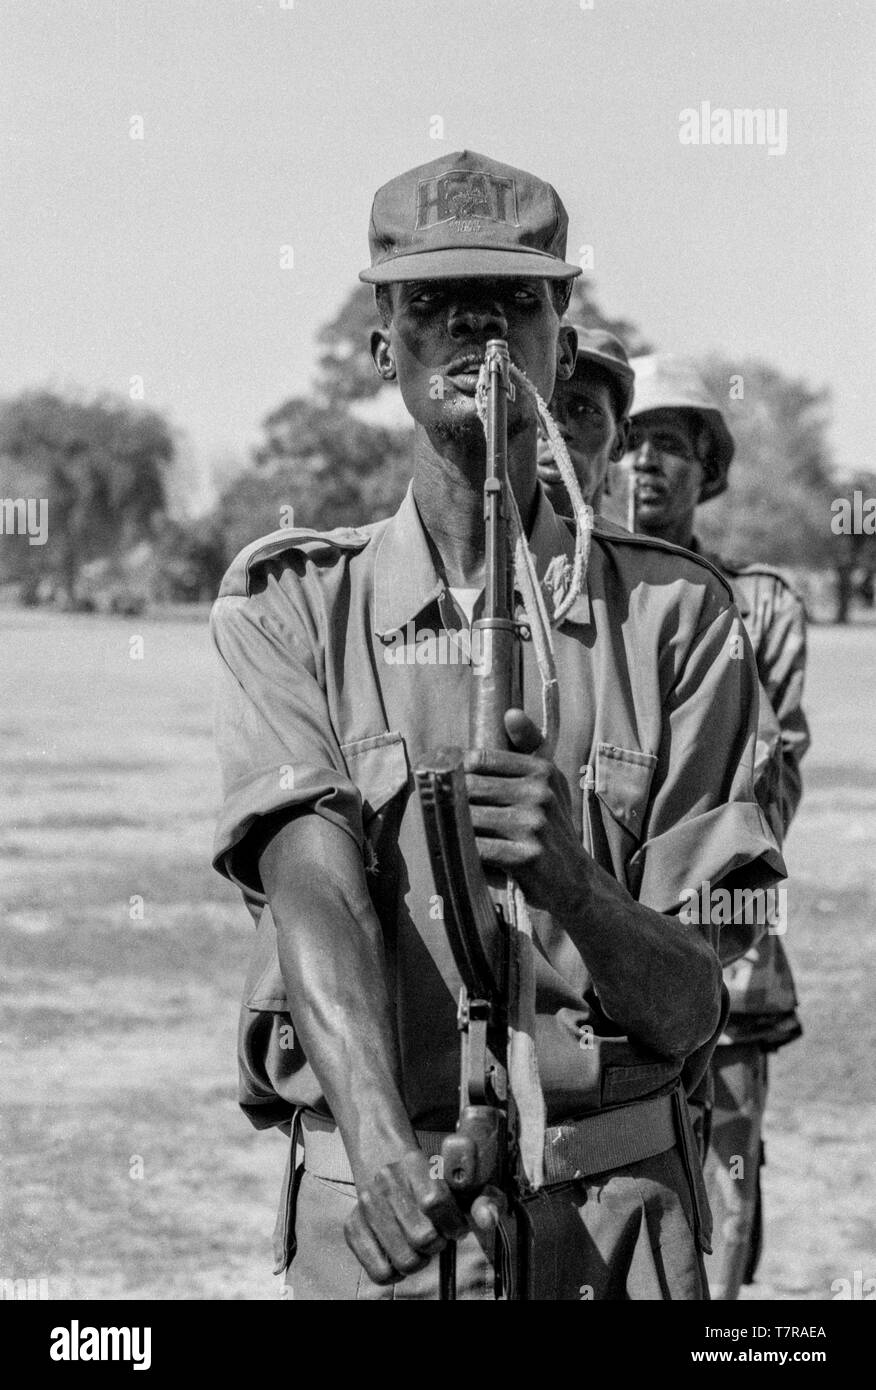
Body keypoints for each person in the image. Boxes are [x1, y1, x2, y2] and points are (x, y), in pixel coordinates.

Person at [210, 152, 783, 1300]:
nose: (475, 330)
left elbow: (691, 1002)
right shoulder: (292, 605)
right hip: (380, 1225)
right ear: (385, 346)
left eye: (515, 301)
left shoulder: (677, 618)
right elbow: (311, 884)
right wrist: (379, 1145)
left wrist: (578, 885)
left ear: (562, 342)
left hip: (613, 1232)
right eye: (431, 303)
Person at [609, 354, 810, 1300]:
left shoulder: (760, 602)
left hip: (728, 943)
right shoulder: (583, 597)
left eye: (672, 447)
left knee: (727, 1166)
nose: (648, 464)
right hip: (604, 939)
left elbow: (773, 778)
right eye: (634, 441)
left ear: (706, 469)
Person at [535, 326, 633, 513]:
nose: (556, 428)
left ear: (619, 440)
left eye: (584, 410)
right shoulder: (472, 541)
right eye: (538, 405)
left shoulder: (629, 544)